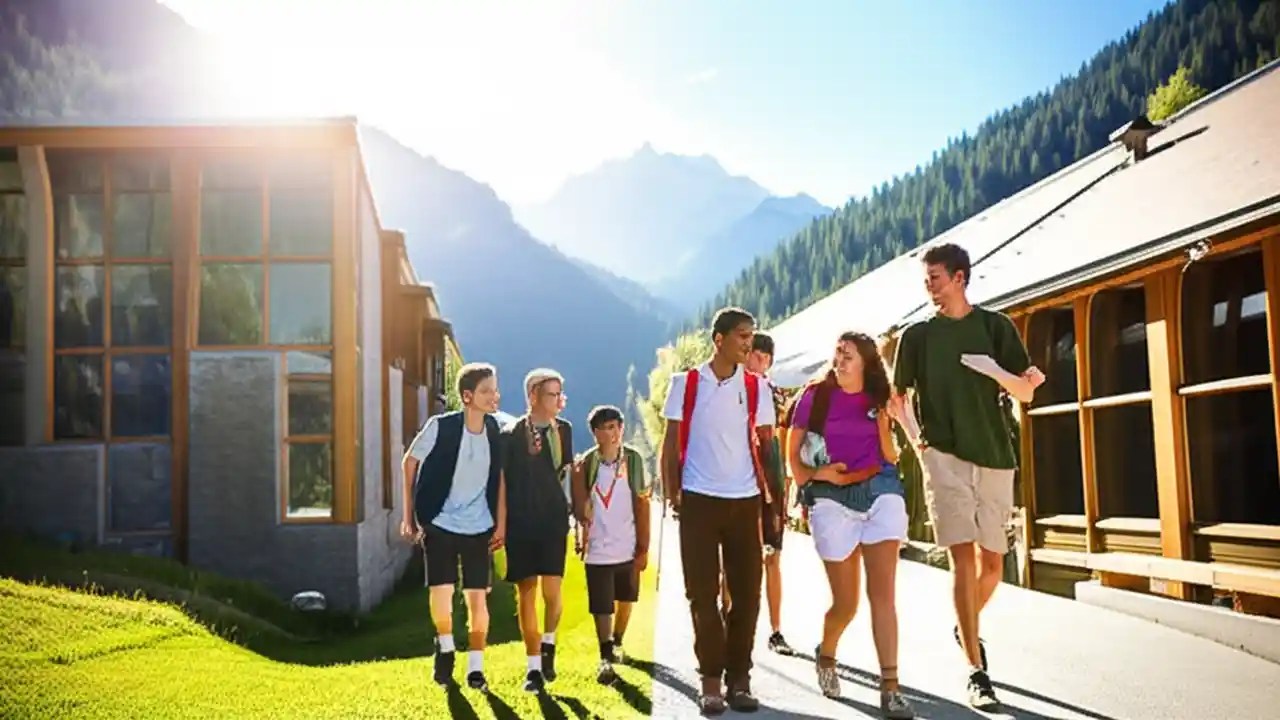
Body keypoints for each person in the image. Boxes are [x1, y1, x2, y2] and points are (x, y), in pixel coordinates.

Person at [889, 242, 1044, 711]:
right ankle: (977, 671)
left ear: (960, 277)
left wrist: (994, 370)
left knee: (993, 565)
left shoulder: (995, 327)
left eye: (935, 277)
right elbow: (897, 400)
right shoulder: (917, 337)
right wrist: (921, 446)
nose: (929, 286)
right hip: (946, 458)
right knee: (962, 561)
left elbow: (1028, 391)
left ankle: (966, 626)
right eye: (925, 279)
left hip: (995, 455)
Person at [789, 332, 915, 719]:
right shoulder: (814, 396)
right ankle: (826, 654)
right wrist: (821, 473)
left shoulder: (878, 396)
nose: (840, 360)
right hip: (830, 496)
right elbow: (795, 464)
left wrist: (886, 417)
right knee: (846, 604)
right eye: (837, 353)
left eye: (848, 356)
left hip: (880, 489)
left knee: (883, 596)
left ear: (865, 364)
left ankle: (890, 689)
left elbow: (891, 455)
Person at [661, 306, 779, 715]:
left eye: (752, 335)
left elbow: (767, 444)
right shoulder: (686, 383)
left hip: (745, 501)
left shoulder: (758, 387)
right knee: (703, 595)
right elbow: (670, 441)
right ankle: (711, 681)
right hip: (699, 500)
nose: (750, 343)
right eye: (743, 335)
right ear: (720, 339)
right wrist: (673, 492)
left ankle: (739, 680)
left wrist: (774, 503)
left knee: (747, 594)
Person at [401, 362, 506, 692]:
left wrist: (501, 523)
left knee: (478, 598)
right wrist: (409, 516)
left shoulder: (496, 431)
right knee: (442, 593)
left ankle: (476, 668)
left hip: (479, 525)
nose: (494, 396)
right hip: (441, 522)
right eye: (486, 391)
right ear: (467, 396)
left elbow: (501, 480)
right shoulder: (440, 427)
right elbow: (409, 462)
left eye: (495, 389)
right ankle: (445, 646)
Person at [718, 331, 795, 657]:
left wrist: (787, 485)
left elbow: (785, 436)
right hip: (738, 480)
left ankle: (776, 631)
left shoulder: (775, 395)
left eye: (766, 358)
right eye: (755, 356)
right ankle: (726, 620)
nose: (760, 363)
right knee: (732, 559)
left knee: (772, 557)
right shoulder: (730, 391)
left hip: (772, 481)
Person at [500, 368, 574, 693]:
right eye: (551, 394)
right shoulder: (510, 434)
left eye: (560, 394)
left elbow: (568, 475)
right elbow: (502, 483)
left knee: (552, 593)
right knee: (526, 593)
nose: (558, 400)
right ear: (533, 396)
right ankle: (533, 667)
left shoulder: (565, 431)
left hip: (554, 522)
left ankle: (549, 644)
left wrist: (579, 515)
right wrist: (501, 524)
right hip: (521, 524)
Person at [570, 405, 651, 686]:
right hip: (598, 547)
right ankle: (605, 655)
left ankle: (617, 640)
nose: (613, 433)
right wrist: (583, 509)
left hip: (627, 543)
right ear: (595, 433)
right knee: (602, 604)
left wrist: (643, 546)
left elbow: (643, 503)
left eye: (616, 426)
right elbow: (578, 506)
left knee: (626, 598)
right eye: (606, 428)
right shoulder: (586, 464)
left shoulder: (634, 461)